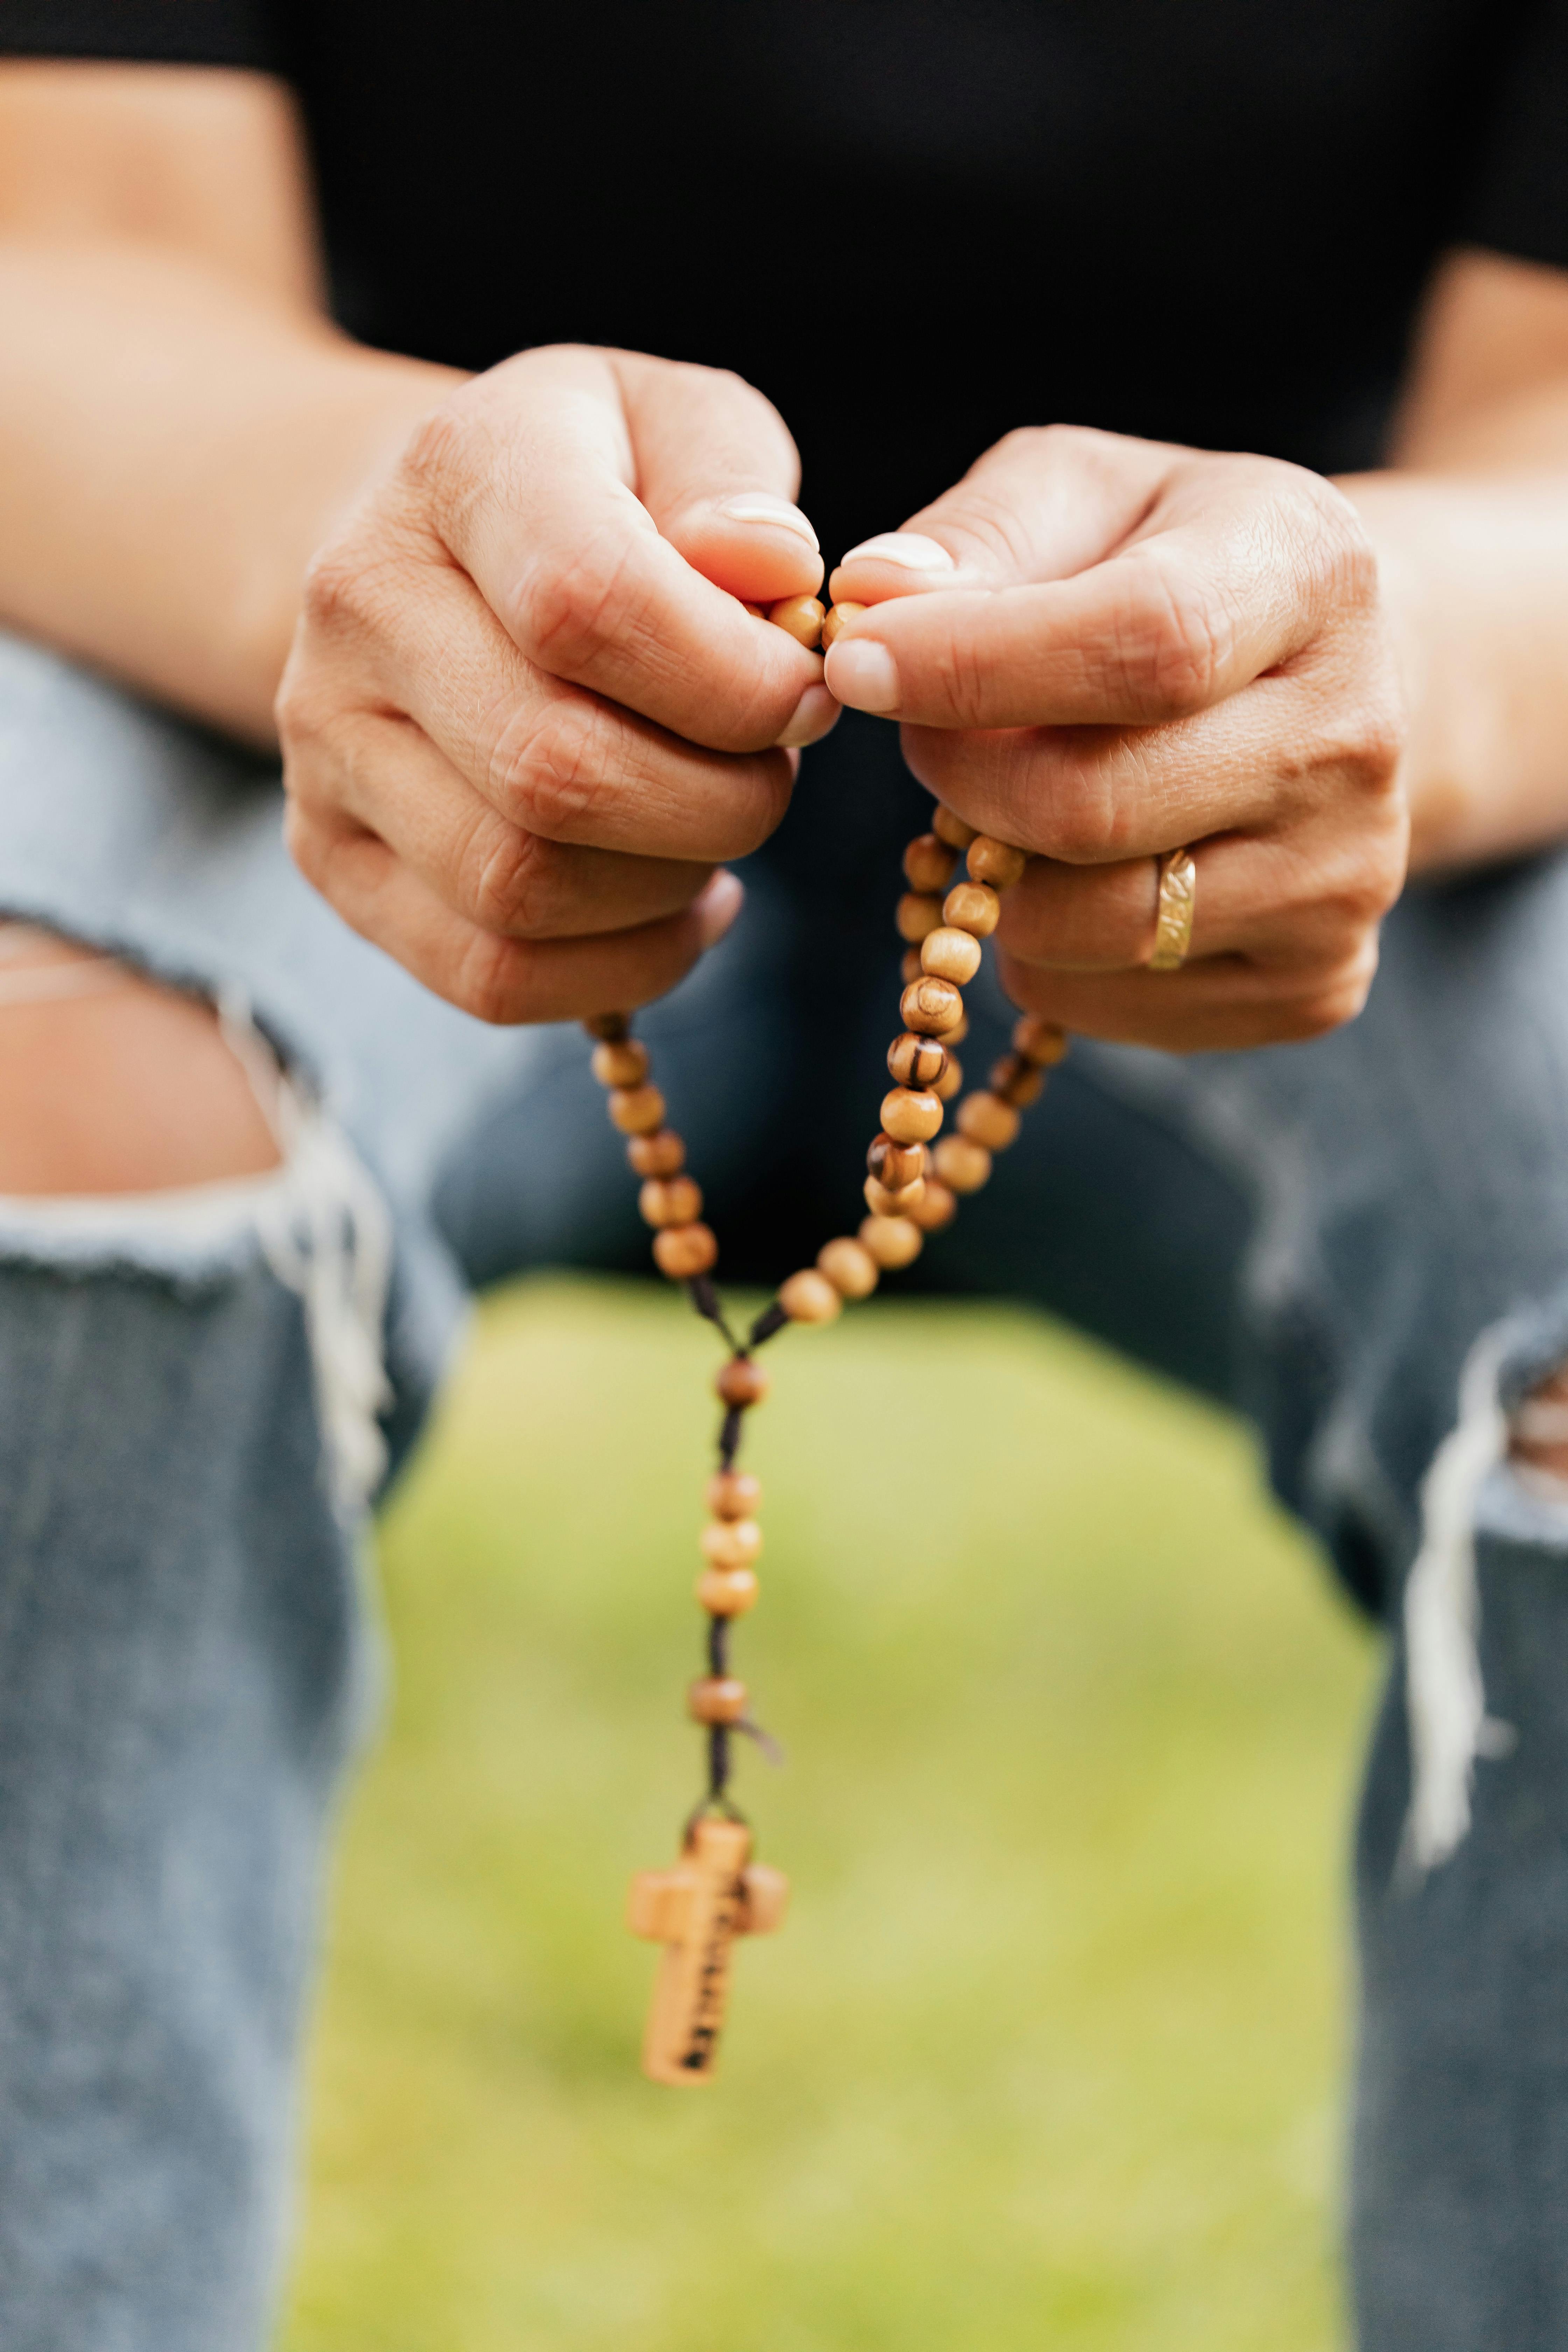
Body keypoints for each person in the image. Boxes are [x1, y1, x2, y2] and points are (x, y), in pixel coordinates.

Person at [1, 5, 1568, 2344]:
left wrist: (1378, 660)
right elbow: (73, 249)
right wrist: (386, 545)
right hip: (330, 624)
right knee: (57, 1093)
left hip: (1353, 695)